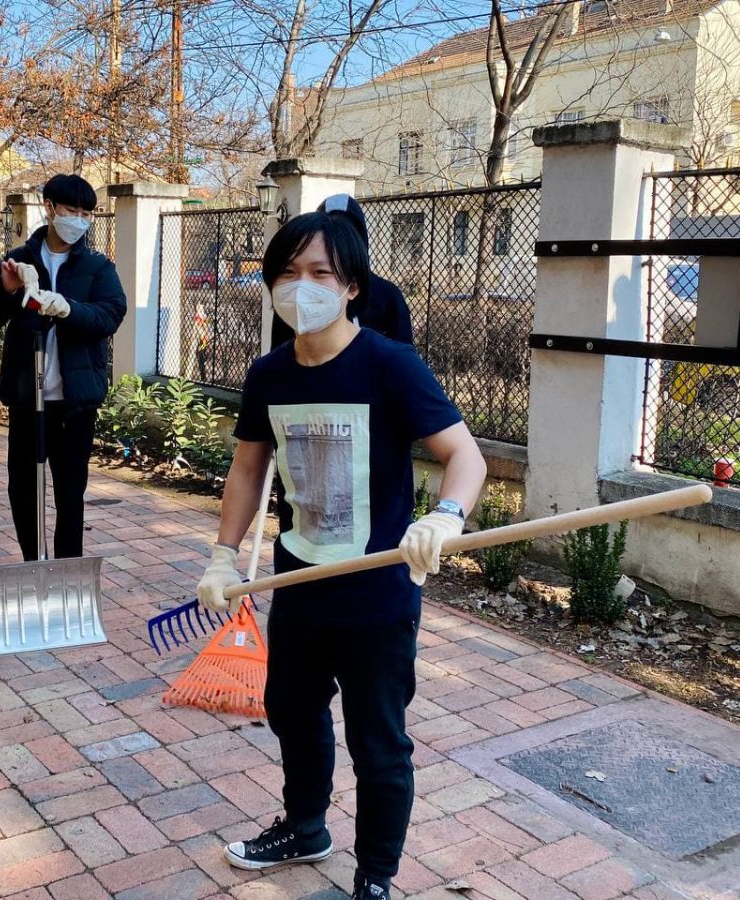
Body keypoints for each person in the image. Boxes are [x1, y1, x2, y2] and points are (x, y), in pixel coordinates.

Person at [197, 212, 486, 900]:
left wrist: (444, 516)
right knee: (292, 712)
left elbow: (464, 456)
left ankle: (376, 877)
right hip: (300, 579)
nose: (304, 288)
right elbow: (247, 469)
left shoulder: (389, 364)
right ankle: (305, 828)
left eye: (320, 273)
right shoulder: (270, 374)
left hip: (378, 591)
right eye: (288, 274)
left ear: (352, 285)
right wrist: (222, 555)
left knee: (378, 743)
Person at [0, 173, 126, 560]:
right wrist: (5, 289)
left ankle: (66, 574)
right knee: (23, 490)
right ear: (50, 207)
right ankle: (31, 566)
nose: (79, 218)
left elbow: (110, 315)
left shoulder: (97, 266)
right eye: (71, 209)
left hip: (75, 403)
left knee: (70, 495)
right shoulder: (19, 259)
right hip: (28, 397)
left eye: (87, 212)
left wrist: (68, 308)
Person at [270, 194, 413, 348]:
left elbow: (403, 350)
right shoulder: (293, 296)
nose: (340, 243)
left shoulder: (388, 295)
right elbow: (278, 352)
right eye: (288, 271)